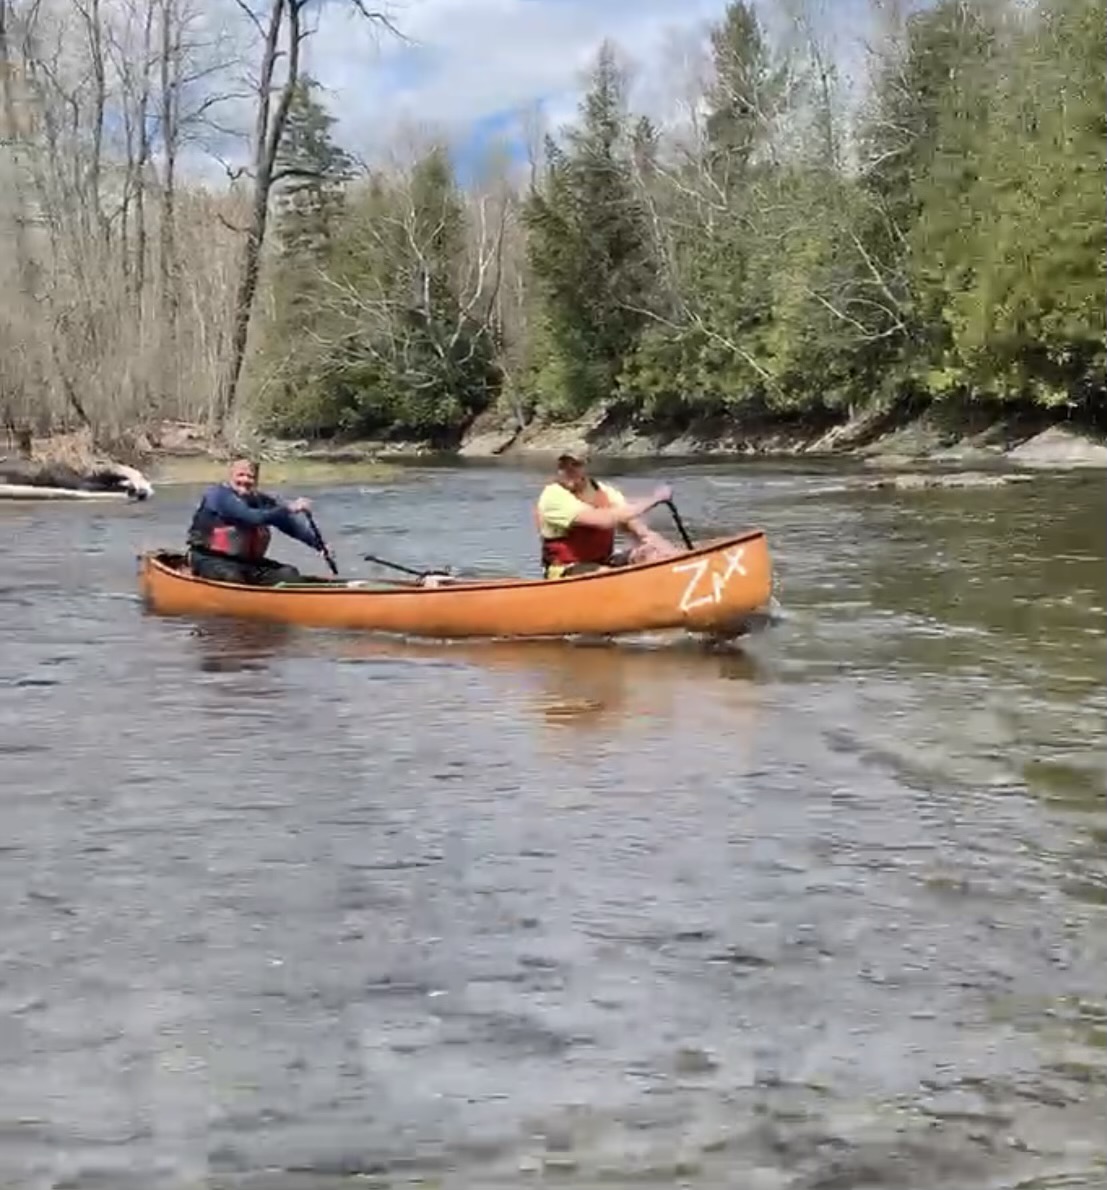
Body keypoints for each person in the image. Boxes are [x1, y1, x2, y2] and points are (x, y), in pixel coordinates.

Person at [186, 458, 333, 586]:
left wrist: (319, 545)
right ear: (230, 476)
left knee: (289, 574)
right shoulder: (218, 495)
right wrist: (289, 508)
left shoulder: (261, 500)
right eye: (240, 475)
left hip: (248, 562)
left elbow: (288, 525)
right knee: (231, 577)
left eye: (250, 477)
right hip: (210, 558)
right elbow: (250, 517)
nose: (245, 480)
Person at [535, 450, 681, 579]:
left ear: (586, 467)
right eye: (563, 466)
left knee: (651, 553)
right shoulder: (553, 496)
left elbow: (629, 520)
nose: (569, 470)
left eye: (575, 465)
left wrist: (653, 542)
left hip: (603, 560)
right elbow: (605, 520)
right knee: (606, 573)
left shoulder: (603, 491)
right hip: (565, 568)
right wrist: (654, 499)